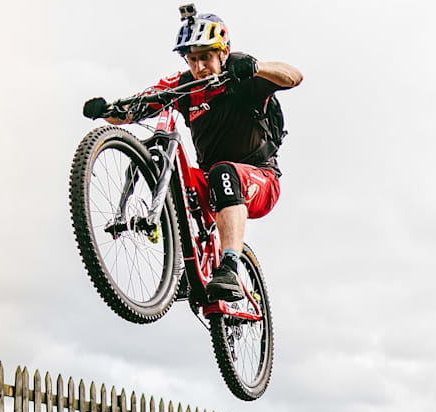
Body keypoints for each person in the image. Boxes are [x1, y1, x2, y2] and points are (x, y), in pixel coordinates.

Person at [91, 7, 302, 302]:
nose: (199, 66)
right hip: (212, 179)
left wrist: (257, 67)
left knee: (222, 172)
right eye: (192, 59)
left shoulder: (242, 77)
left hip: (260, 179)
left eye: (206, 57)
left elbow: (294, 76)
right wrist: (108, 112)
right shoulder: (185, 86)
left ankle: (230, 267)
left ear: (223, 53)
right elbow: (141, 105)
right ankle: (189, 269)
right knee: (178, 175)